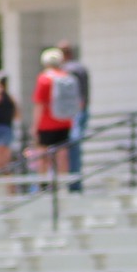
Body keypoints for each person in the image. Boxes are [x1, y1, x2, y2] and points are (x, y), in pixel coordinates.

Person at [31, 48, 77, 185]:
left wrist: (35, 126)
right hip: (65, 122)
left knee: (42, 155)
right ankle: (63, 185)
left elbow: (39, 104)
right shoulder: (67, 77)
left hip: (46, 123)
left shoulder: (44, 79)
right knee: (62, 155)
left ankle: (43, 185)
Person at [59, 40, 91, 189]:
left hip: (73, 114)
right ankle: (74, 183)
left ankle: (74, 185)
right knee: (72, 149)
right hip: (82, 112)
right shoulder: (81, 67)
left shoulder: (68, 69)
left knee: (72, 148)